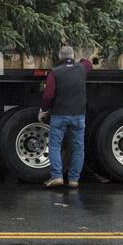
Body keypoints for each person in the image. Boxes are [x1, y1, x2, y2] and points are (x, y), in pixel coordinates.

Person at [40, 45, 94, 189]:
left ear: (59, 56)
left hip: (60, 115)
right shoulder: (82, 69)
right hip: (79, 116)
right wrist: (82, 58)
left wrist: (44, 109)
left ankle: (57, 176)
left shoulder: (55, 72)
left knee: (55, 146)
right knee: (78, 148)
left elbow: (48, 95)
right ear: (73, 56)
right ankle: (74, 180)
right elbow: (88, 63)